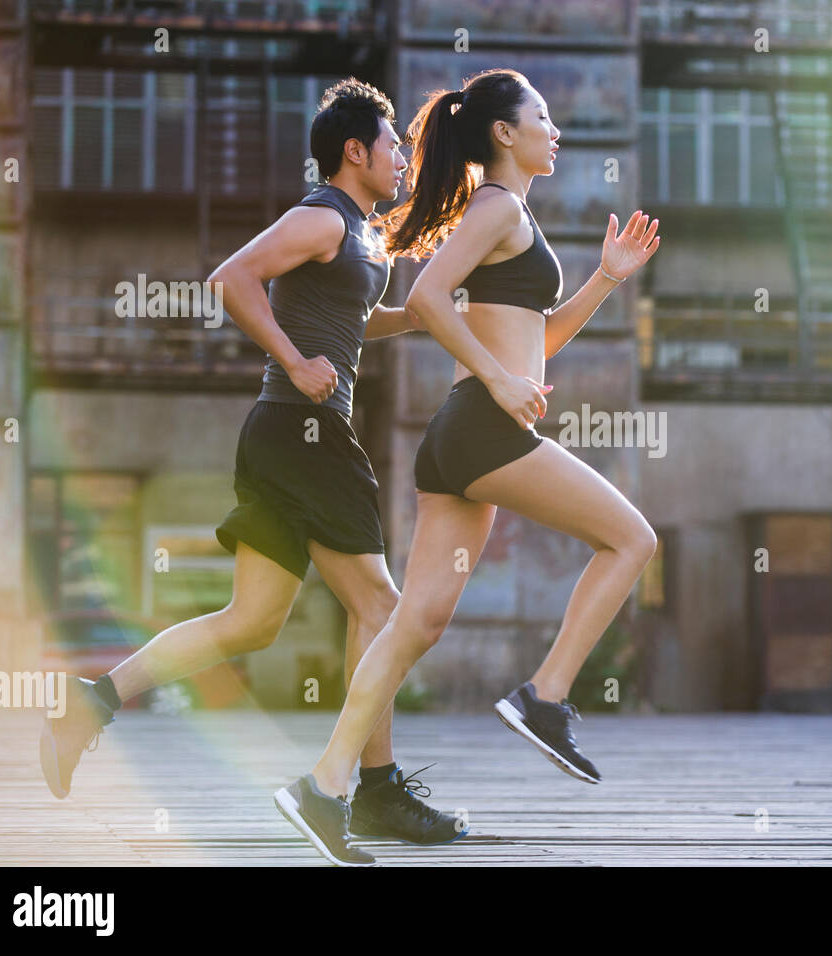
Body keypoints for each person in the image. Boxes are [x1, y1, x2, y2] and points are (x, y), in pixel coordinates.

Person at [40, 78, 464, 852]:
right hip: (305, 428)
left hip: (283, 434)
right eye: (394, 141)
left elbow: (347, 325)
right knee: (381, 607)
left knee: (252, 622)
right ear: (354, 151)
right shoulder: (320, 216)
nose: (403, 154)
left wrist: (428, 319)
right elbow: (231, 279)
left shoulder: (361, 235)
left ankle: (93, 700)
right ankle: (369, 790)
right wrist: (298, 362)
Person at [272, 68, 661, 865]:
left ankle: (325, 783)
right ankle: (546, 697)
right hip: (483, 428)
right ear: (504, 134)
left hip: (459, 436)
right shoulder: (501, 208)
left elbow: (537, 341)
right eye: (543, 117)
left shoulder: (505, 216)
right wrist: (498, 378)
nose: (557, 129)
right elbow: (428, 299)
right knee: (632, 541)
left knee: (416, 621)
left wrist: (606, 279)